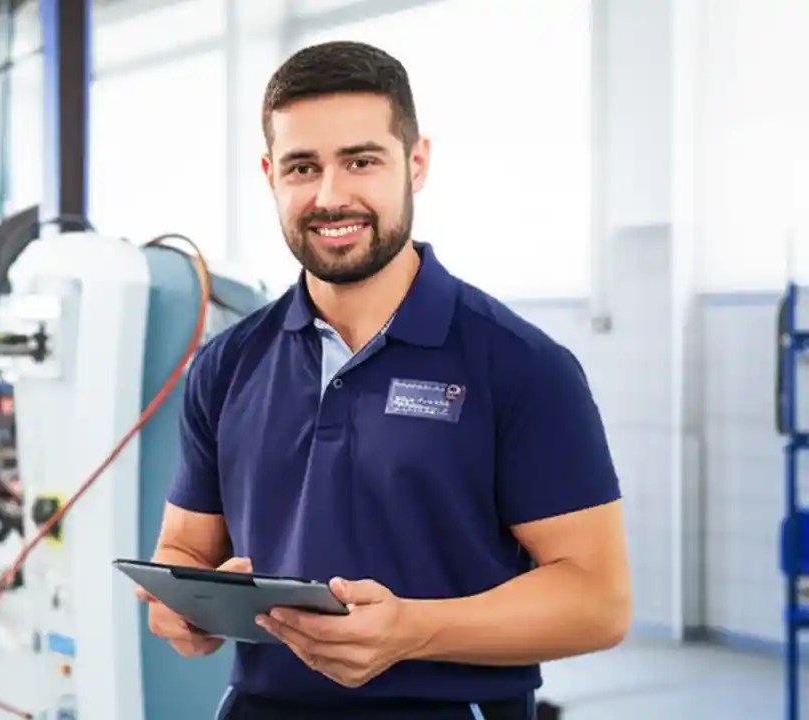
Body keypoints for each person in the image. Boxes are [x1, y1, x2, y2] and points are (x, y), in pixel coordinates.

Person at [136, 41, 632, 720]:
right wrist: (184, 606)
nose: (330, 196)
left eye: (361, 161)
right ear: (270, 175)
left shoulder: (520, 366)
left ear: (416, 163)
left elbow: (598, 602)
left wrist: (415, 630)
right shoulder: (226, 366)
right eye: (303, 167)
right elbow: (186, 547)